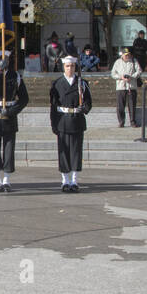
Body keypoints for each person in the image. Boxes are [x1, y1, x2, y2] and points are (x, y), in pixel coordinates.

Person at [0, 50, 28, 192]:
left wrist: (11, 111)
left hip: (9, 114)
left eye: (7, 59)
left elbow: (24, 99)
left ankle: (7, 180)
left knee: (9, 150)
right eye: (2, 59)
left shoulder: (16, 77)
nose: (5, 61)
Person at [50, 55, 92, 192]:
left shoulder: (82, 83)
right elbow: (53, 106)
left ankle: (74, 180)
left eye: (72, 66)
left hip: (76, 120)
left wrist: (84, 108)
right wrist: (54, 124)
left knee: (75, 152)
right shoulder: (57, 83)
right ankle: (65, 180)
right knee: (64, 152)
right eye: (67, 66)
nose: (70, 68)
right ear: (63, 67)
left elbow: (88, 102)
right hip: (62, 120)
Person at [110, 48, 142, 128]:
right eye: (126, 55)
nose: (127, 56)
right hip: (121, 87)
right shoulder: (117, 62)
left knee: (132, 105)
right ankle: (121, 122)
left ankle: (132, 121)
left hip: (131, 86)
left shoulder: (134, 61)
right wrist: (120, 77)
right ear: (122, 55)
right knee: (120, 106)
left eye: (128, 54)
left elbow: (139, 71)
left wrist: (132, 77)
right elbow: (113, 74)